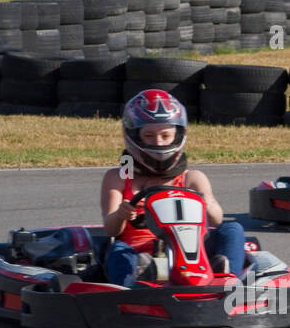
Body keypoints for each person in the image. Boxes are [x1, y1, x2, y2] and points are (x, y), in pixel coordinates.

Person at [100, 89, 245, 287]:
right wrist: (121, 215)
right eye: (149, 135)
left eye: (165, 135)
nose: (158, 142)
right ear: (133, 136)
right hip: (140, 251)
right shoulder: (118, 177)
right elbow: (110, 229)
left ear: (177, 136)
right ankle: (132, 290)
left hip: (192, 253)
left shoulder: (192, 178)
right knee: (118, 250)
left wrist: (206, 203)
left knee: (232, 229)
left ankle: (228, 283)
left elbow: (216, 219)